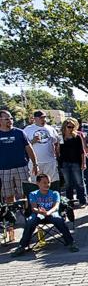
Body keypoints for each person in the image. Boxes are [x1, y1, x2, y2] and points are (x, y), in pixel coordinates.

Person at [11, 173, 78, 256]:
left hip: (52, 212)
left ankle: (70, 243)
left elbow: (56, 207)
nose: (47, 184)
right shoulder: (33, 194)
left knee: (59, 220)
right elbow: (33, 208)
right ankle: (22, 246)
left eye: (49, 182)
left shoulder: (55, 193)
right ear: (38, 183)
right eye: (44, 182)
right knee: (30, 221)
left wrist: (48, 213)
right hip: (38, 214)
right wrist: (41, 212)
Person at [1, 110, 38, 242]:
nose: (9, 121)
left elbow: (29, 148)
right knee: (8, 196)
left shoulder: (19, 132)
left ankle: (27, 220)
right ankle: (11, 222)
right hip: (3, 170)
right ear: (0, 120)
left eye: (10, 118)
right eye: (6, 119)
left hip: (21, 167)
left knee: (25, 194)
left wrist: (35, 163)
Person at [23, 110, 60, 182]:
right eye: (41, 118)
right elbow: (23, 146)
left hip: (50, 161)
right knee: (35, 183)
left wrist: (57, 155)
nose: (44, 120)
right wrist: (33, 141)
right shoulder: (28, 129)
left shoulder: (51, 129)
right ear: (35, 119)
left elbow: (57, 143)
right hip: (35, 163)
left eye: (45, 117)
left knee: (52, 182)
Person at [58, 117, 86, 207]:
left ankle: (82, 201)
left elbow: (82, 151)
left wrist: (83, 163)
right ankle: (69, 202)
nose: (71, 129)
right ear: (65, 127)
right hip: (65, 162)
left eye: (72, 127)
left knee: (79, 182)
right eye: (69, 127)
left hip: (76, 162)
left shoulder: (77, 137)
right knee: (68, 183)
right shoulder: (61, 137)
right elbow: (58, 152)